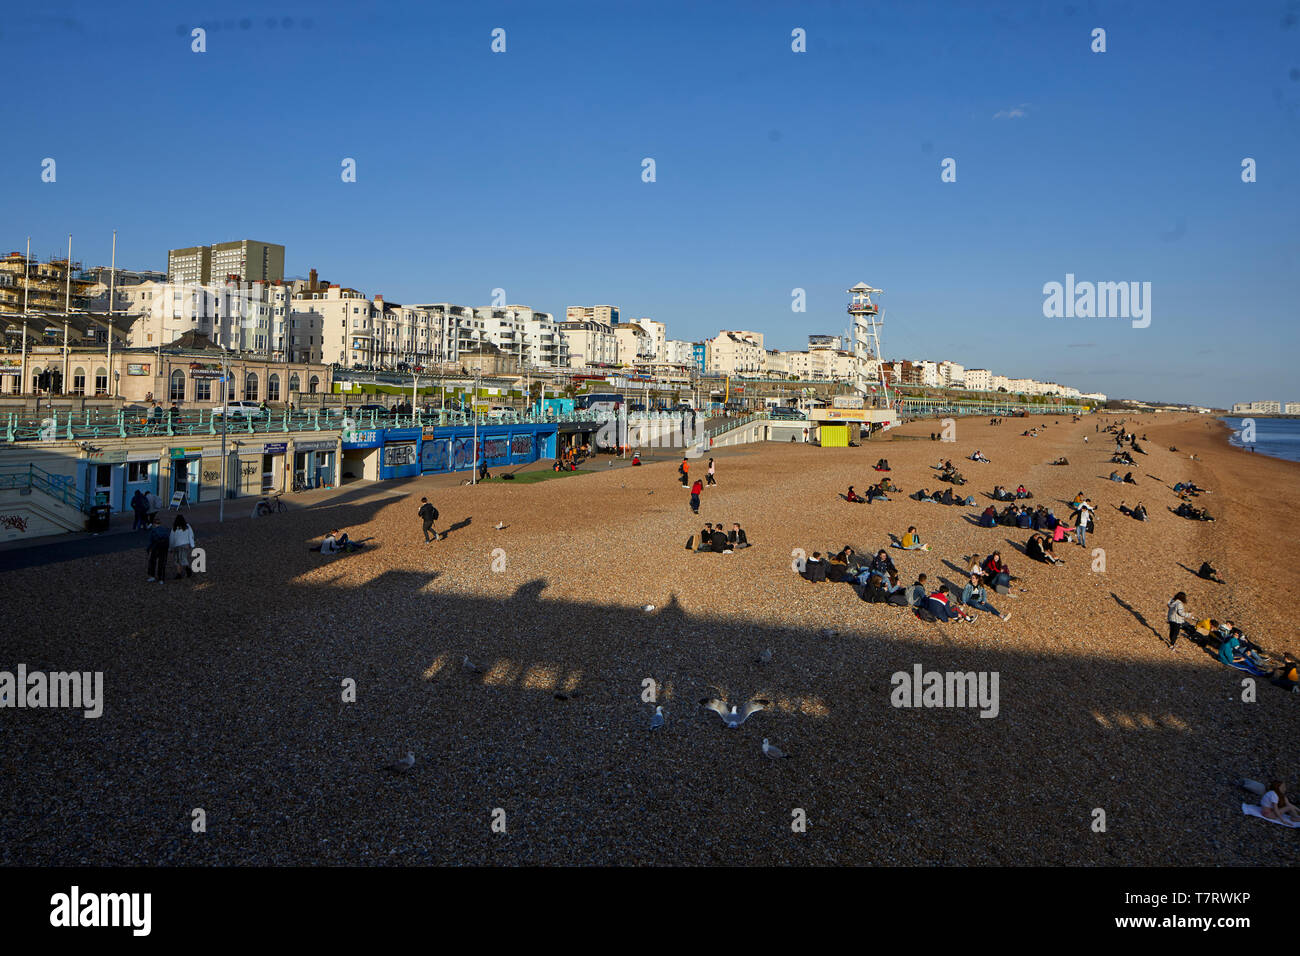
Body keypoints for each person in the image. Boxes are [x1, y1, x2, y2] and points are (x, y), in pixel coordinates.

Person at [145, 516, 170, 583]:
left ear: (154, 524)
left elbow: (151, 541)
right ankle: (161, 579)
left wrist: (148, 549)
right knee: (162, 563)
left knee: (152, 562)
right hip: (164, 548)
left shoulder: (153, 531)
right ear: (160, 523)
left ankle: (152, 576)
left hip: (155, 547)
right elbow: (168, 539)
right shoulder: (165, 530)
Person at [170, 514, 196, 579]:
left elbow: (171, 538)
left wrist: (170, 547)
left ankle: (179, 574)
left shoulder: (174, 528)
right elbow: (191, 535)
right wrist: (192, 544)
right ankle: (187, 568)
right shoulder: (187, 526)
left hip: (177, 545)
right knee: (184, 558)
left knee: (178, 560)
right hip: (185, 545)